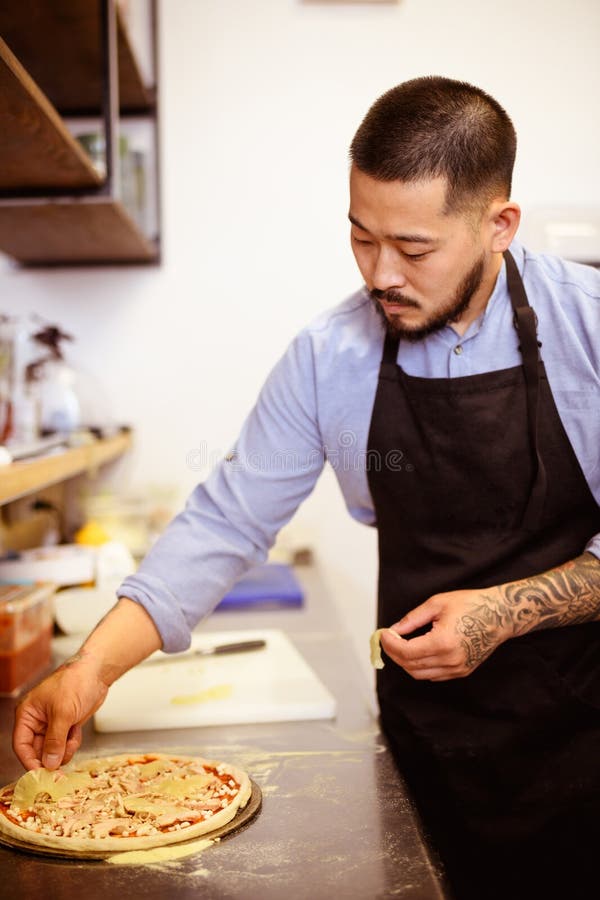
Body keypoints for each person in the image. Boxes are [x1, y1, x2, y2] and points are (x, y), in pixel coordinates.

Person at [13, 77, 599, 899]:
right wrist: (92, 668)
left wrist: (506, 608)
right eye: (361, 238)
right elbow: (226, 522)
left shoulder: (590, 328)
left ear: (499, 224)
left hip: (585, 742)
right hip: (425, 744)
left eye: (414, 248)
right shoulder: (332, 356)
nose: (381, 275)